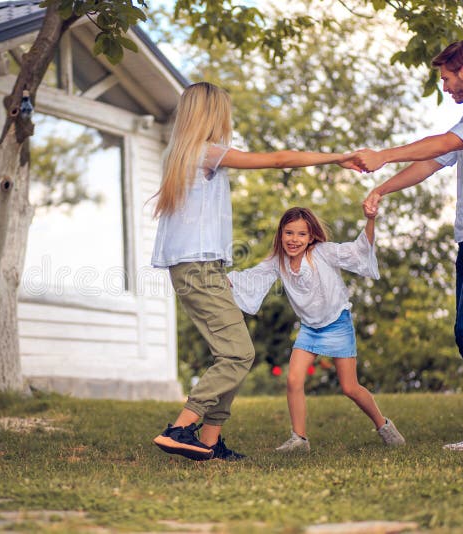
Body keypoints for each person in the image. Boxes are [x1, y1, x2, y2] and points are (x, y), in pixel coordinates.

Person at [151, 82, 360, 461]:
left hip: (198, 267)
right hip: (198, 268)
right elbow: (278, 159)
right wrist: (336, 158)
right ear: (213, 116)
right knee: (237, 354)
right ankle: (181, 427)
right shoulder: (204, 153)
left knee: (230, 353)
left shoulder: (180, 155)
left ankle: (209, 440)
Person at [355, 40, 463, 449]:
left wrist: (383, 155)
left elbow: (441, 145)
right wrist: (384, 187)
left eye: (448, 78)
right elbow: (432, 162)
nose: (447, 86)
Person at [227, 207, 405, 452]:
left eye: (301, 234)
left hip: (337, 322)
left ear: (311, 237)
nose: (294, 239)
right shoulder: (278, 262)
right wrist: (224, 279)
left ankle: (384, 425)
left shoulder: (323, 252)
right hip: (310, 328)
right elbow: (251, 277)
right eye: (288, 233)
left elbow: (358, 250)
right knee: (293, 380)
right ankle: (299, 439)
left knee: (350, 387)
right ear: (281, 234)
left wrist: (371, 219)